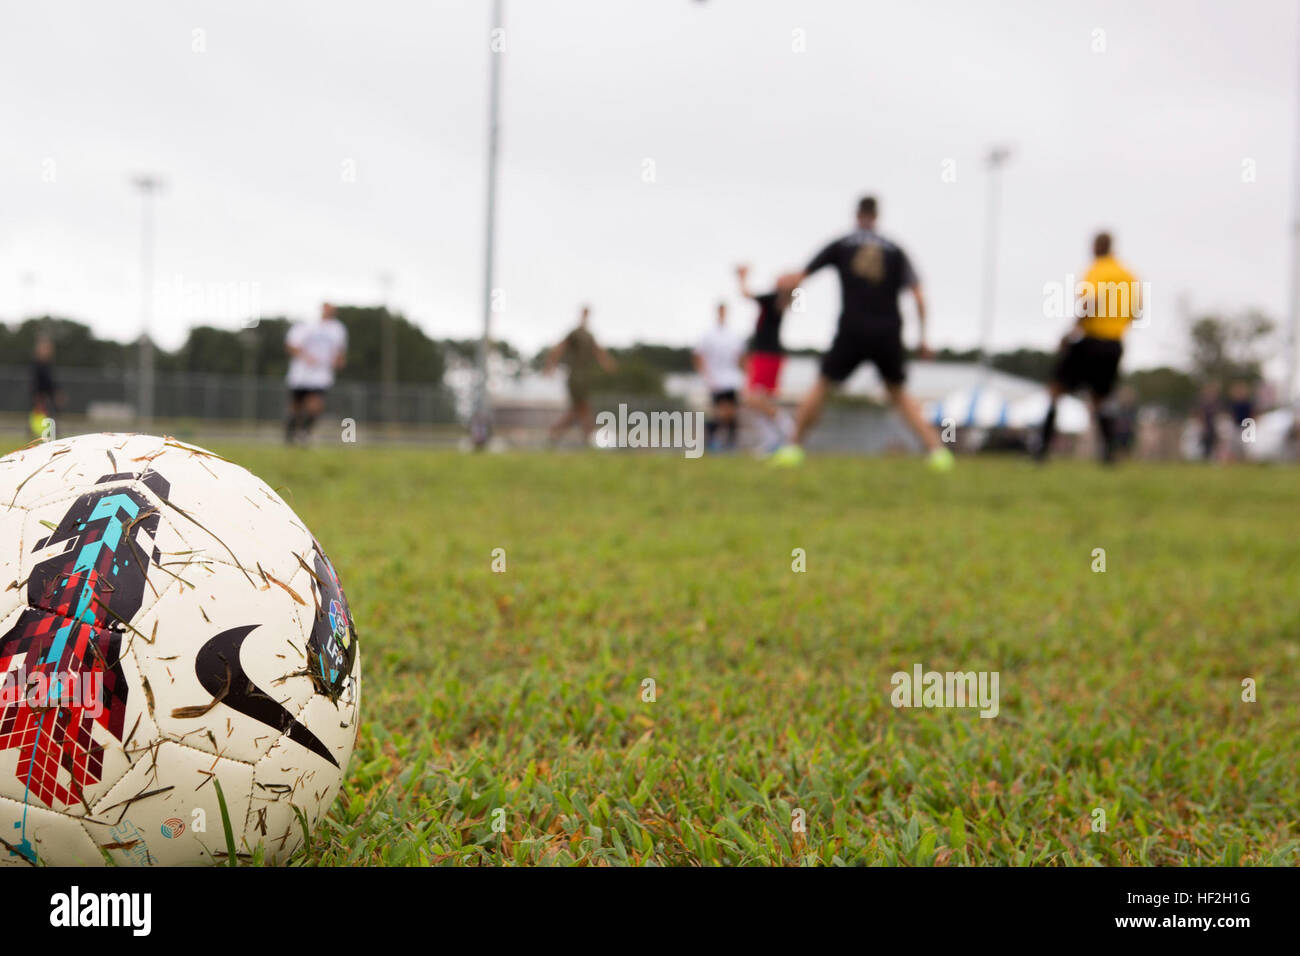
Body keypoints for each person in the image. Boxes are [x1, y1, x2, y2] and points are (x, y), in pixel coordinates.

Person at [768, 196, 952, 470]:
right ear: (877, 216)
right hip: (888, 330)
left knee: (822, 384)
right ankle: (937, 453)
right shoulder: (896, 249)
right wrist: (923, 339)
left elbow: (799, 278)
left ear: (857, 214)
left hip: (852, 328)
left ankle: (793, 447)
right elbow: (919, 297)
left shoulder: (842, 244)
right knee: (899, 393)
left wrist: (783, 293)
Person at [1036, 232, 1141, 464]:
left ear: (1097, 246)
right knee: (1101, 400)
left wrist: (1072, 332)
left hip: (1092, 339)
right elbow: (1137, 311)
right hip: (1114, 344)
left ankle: (1040, 449)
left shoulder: (1098, 270)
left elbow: (1090, 302)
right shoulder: (1128, 274)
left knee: (1055, 390)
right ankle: (1109, 454)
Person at [736, 264, 795, 452]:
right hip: (767, 355)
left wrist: (742, 276)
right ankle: (770, 441)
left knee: (750, 398)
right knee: (759, 401)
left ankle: (787, 426)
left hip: (767, 355)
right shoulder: (776, 299)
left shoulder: (773, 298)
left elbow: (745, 294)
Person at [545, 305, 616, 444]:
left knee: (579, 409)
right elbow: (560, 347)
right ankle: (589, 437)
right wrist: (550, 365)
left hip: (585, 376)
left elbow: (598, 351)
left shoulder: (589, 335)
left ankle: (556, 433)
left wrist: (607, 362)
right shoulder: (575, 333)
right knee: (582, 407)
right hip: (576, 376)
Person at [285, 302, 348, 444]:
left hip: (321, 374)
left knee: (316, 406)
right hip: (300, 373)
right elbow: (291, 345)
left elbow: (340, 350)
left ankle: (304, 432)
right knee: (296, 407)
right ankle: (290, 434)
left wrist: (339, 360)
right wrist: (306, 357)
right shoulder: (306, 325)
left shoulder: (338, 329)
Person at [694, 302, 746, 451]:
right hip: (716, 380)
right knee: (721, 413)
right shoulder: (708, 334)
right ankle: (712, 439)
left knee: (731, 414)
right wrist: (706, 375)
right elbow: (698, 356)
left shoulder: (733, 335)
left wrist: (744, 374)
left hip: (732, 380)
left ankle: (730, 444)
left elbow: (740, 358)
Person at [30, 335, 59, 439]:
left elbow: (51, 383)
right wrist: (38, 399)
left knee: (51, 426)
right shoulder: (37, 365)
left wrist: (57, 393)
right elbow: (36, 384)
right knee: (40, 425)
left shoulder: (48, 365)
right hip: (42, 399)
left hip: (48, 399)